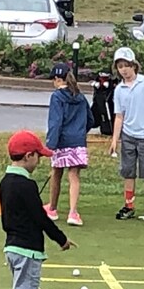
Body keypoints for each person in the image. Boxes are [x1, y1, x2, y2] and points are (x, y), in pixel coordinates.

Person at [0, 130, 76, 289]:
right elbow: (41, 218)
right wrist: (61, 238)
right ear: (28, 156)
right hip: (26, 249)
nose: (39, 161)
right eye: (38, 157)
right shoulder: (26, 185)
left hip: (13, 246)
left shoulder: (5, 182)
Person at [108, 47, 144, 221]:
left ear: (133, 66)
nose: (124, 69)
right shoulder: (119, 90)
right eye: (120, 66)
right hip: (128, 135)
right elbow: (119, 116)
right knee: (128, 171)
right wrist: (115, 139)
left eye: (126, 65)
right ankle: (128, 205)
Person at [42, 62, 95, 227]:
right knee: (74, 176)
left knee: (56, 173)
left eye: (54, 79)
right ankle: (73, 212)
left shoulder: (56, 97)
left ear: (58, 79)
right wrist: (80, 133)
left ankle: (52, 208)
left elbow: (55, 122)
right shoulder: (80, 96)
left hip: (61, 141)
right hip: (78, 141)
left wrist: (51, 143)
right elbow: (91, 120)